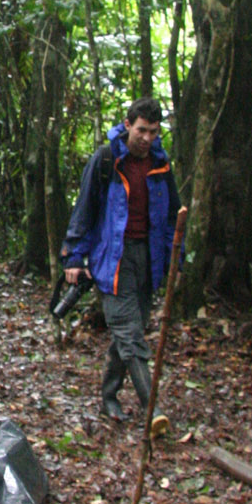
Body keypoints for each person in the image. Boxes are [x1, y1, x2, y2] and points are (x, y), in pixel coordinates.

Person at [60, 98, 179, 424]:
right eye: (141, 130)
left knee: (130, 332)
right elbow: (84, 208)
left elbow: (173, 216)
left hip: (148, 258)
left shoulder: (161, 164)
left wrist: (175, 259)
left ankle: (108, 397)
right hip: (112, 259)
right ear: (128, 125)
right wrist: (73, 256)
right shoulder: (106, 159)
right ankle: (152, 410)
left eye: (153, 132)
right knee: (129, 334)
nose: (147, 138)